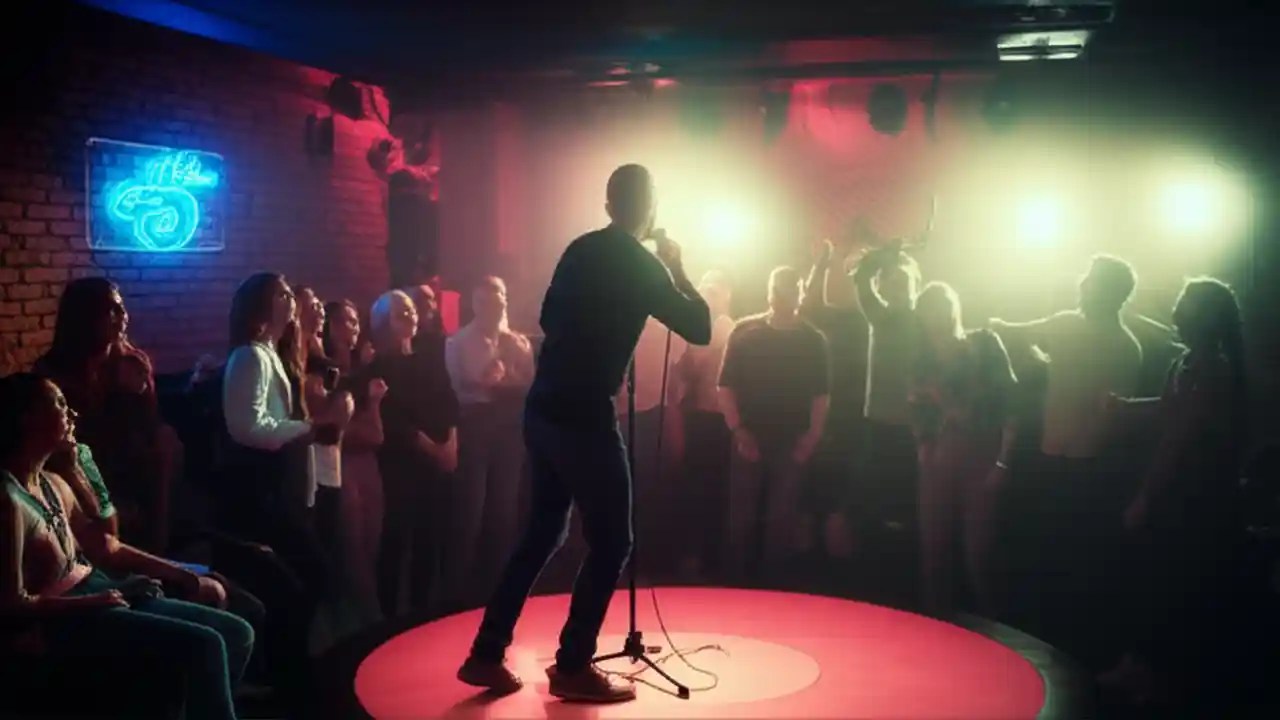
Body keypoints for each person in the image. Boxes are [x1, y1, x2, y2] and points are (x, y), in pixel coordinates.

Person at [457, 164, 711, 702]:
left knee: (544, 531)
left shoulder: (580, 248)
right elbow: (700, 327)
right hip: (584, 414)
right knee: (613, 539)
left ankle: (485, 652)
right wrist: (678, 269)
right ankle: (573, 664)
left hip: (543, 406)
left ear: (607, 204)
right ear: (650, 207)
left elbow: (548, 316)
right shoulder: (645, 266)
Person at [0, 373, 254, 720]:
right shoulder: (8, 499)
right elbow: (10, 604)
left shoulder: (52, 482)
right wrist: (94, 601)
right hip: (68, 616)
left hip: (103, 589)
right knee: (206, 646)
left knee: (237, 632)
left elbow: (107, 543)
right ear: (27, 417)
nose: (71, 412)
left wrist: (180, 574)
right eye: (58, 403)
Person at [1100, 278, 1247, 707]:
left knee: (1174, 589)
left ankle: (1160, 678)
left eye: (1185, 306)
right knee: (1151, 580)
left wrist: (1145, 497)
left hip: (1196, 500)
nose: (1176, 312)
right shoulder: (1187, 362)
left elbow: (1178, 437)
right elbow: (1169, 411)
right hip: (1179, 496)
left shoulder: (1213, 370)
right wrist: (1127, 407)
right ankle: (1140, 663)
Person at [990, 254, 1142, 662]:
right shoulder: (1122, 343)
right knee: (1060, 559)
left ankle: (1062, 650)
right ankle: (1062, 649)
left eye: (1089, 280)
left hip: (1081, 467)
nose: (1081, 284)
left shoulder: (1097, 336)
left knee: (1067, 560)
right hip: (1072, 463)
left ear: (1107, 291)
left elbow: (1010, 332)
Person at [35, 277, 182, 553]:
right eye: (109, 310)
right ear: (84, 318)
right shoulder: (55, 371)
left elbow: (149, 426)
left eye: (121, 308)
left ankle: (160, 547)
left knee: (165, 444)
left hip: (133, 465)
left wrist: (132, 393)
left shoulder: (132, 363)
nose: (121, 317)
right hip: (79, 467)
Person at [909, 283, 1017, 616]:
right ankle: (937, 628)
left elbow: (1010, 405)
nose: (935, 316)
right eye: (928, 309)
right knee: (933, 550)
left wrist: (1002, 462)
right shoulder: (921, 358)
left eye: (941, 307)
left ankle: (997, 631)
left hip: (981, 453)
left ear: (953, 308)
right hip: (939, 456)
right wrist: (923, 444)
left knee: (979, 554)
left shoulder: (983, 343)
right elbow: (915, 408)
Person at [719, 266, 831, 583]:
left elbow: (821, 395)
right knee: (741, 518)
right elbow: (725, 386)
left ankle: (773, 589)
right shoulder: (744, 331)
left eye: (791, 289)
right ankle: (737, 585)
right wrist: (739, 429)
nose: (784, 295)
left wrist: (811, 437)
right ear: (770, 292)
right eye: (780, 289)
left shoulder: (812, 339)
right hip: (749, 435)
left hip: (790, 439)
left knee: (781, 521)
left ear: (799, 293)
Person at [366, 290, 459, 617]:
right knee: (398, 537)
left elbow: (449, 400)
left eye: (411, 312)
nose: (410, 317)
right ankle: (389, 615)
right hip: (401, 464)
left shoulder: (429, 357)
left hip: (436, 461)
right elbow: (394, 420)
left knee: (430, 538)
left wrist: (450, 443)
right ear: (381, 323)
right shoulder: (378, 365)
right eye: (401, 313)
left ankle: (424, 611)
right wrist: (432, 448)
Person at [444, 276, 535, 609]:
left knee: (503, 508)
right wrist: (493, 383)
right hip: (476, 427)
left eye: (500, 300)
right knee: (472, 508)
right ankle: (459, 595)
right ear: (475, 304)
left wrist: (497, 382)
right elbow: (464, 389)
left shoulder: (518, 342)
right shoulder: (458, 342)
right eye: (487, 302)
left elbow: (527, 385)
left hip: (510, 428)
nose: (495, 307)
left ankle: (497, 588)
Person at [322, 299, 388, 625]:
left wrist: (371, 404)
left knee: (371, 545)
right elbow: (338, 429)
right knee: (352, 550)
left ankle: (364, 617)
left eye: (355, 320)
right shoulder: (324, 369)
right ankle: (368, 624)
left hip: (367, 461)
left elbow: (374, 433)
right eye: (344, 321)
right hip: (343, 462)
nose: (353, 327)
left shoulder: (362, 369)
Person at [669, 270, 736, 578]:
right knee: (694, 486)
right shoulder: (699, 326)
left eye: (714, 291)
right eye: (705, 289)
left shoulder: (724, 325)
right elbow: (681, 370)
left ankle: (705, 556)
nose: (707, 295)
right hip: (696, 414)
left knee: (710, 486)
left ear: (726, 295)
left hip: (716, 417)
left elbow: (696, 362)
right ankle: (695, 554)